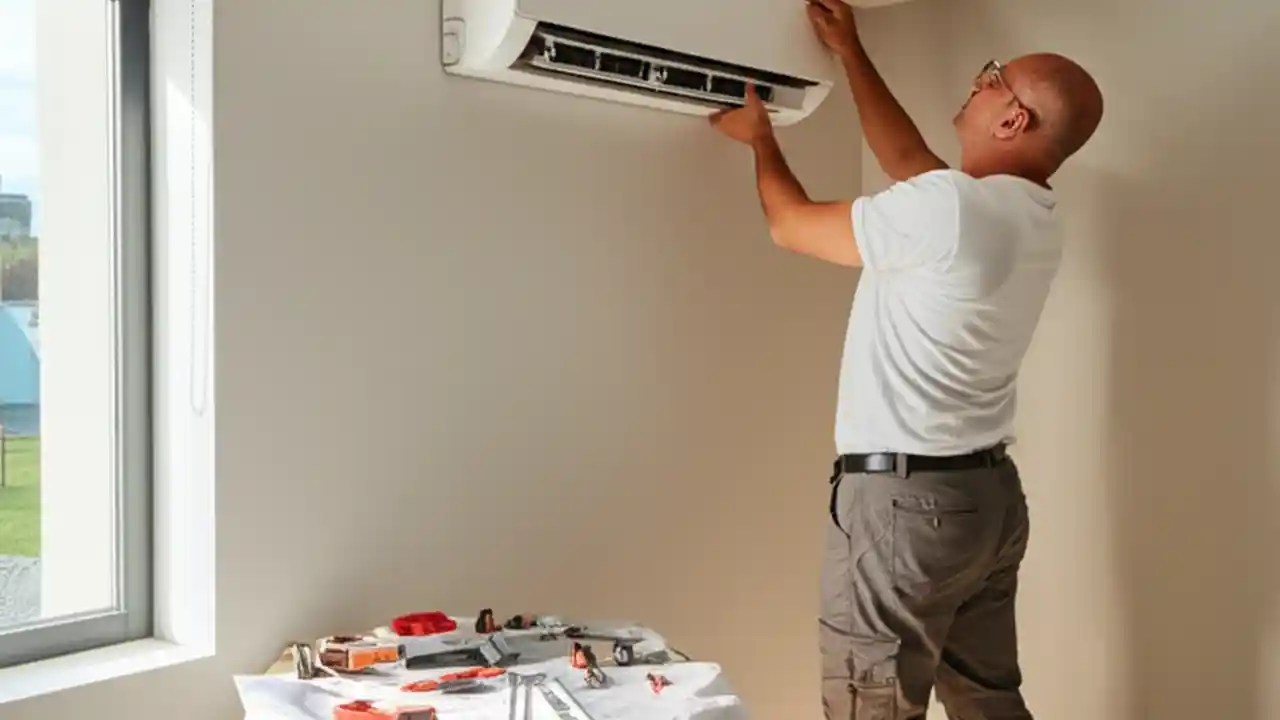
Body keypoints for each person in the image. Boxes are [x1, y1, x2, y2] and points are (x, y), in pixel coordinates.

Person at [709, 1, 1104, 718]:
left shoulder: (952, 211)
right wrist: (851, 51)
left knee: (872, 707)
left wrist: (758, 139)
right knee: (988, 702)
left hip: (906, 509)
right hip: (983, 506)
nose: (977, 84)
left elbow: (790, 226)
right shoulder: (1031, 216)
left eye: (993, 80)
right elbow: (910, 166)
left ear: (1013, 120)